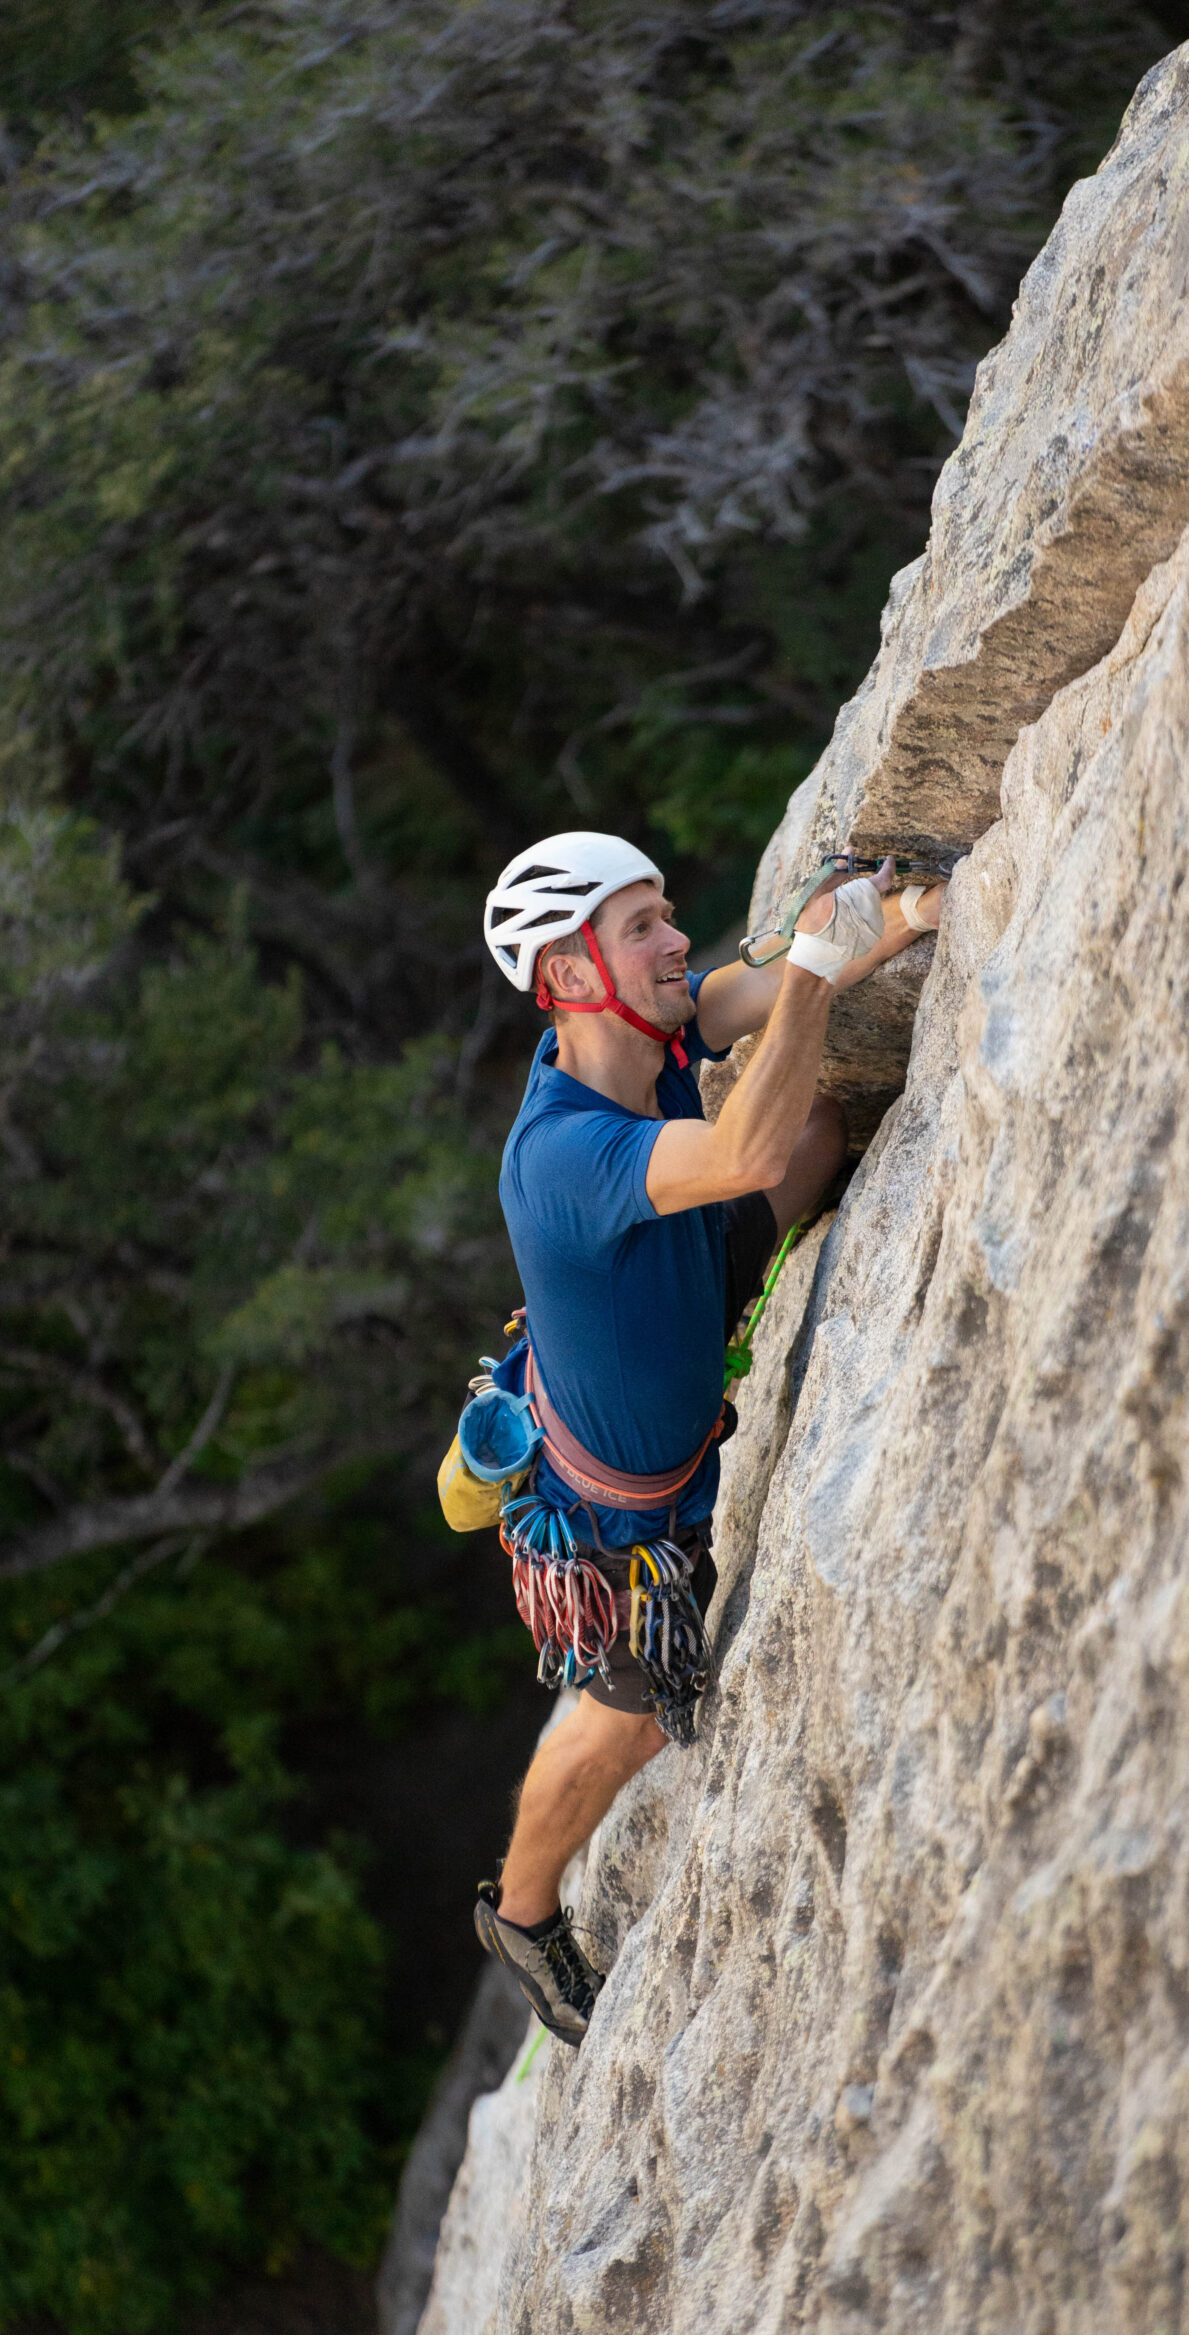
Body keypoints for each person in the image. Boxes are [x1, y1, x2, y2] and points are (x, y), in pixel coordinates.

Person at [471, 830, 941, 2043]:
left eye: (665, 912)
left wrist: (895, 914)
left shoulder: (645, 1031)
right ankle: (520, 1918)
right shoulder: (560, 1154)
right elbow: (740, 1146)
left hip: (677, 1288)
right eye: (642, 927)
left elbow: (740, 993)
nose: (676, 938)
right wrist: (818, 976)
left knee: (822, 1134)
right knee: (623, 1718)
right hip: (621, 1514)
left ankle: (719, 1319)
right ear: (570, 978)